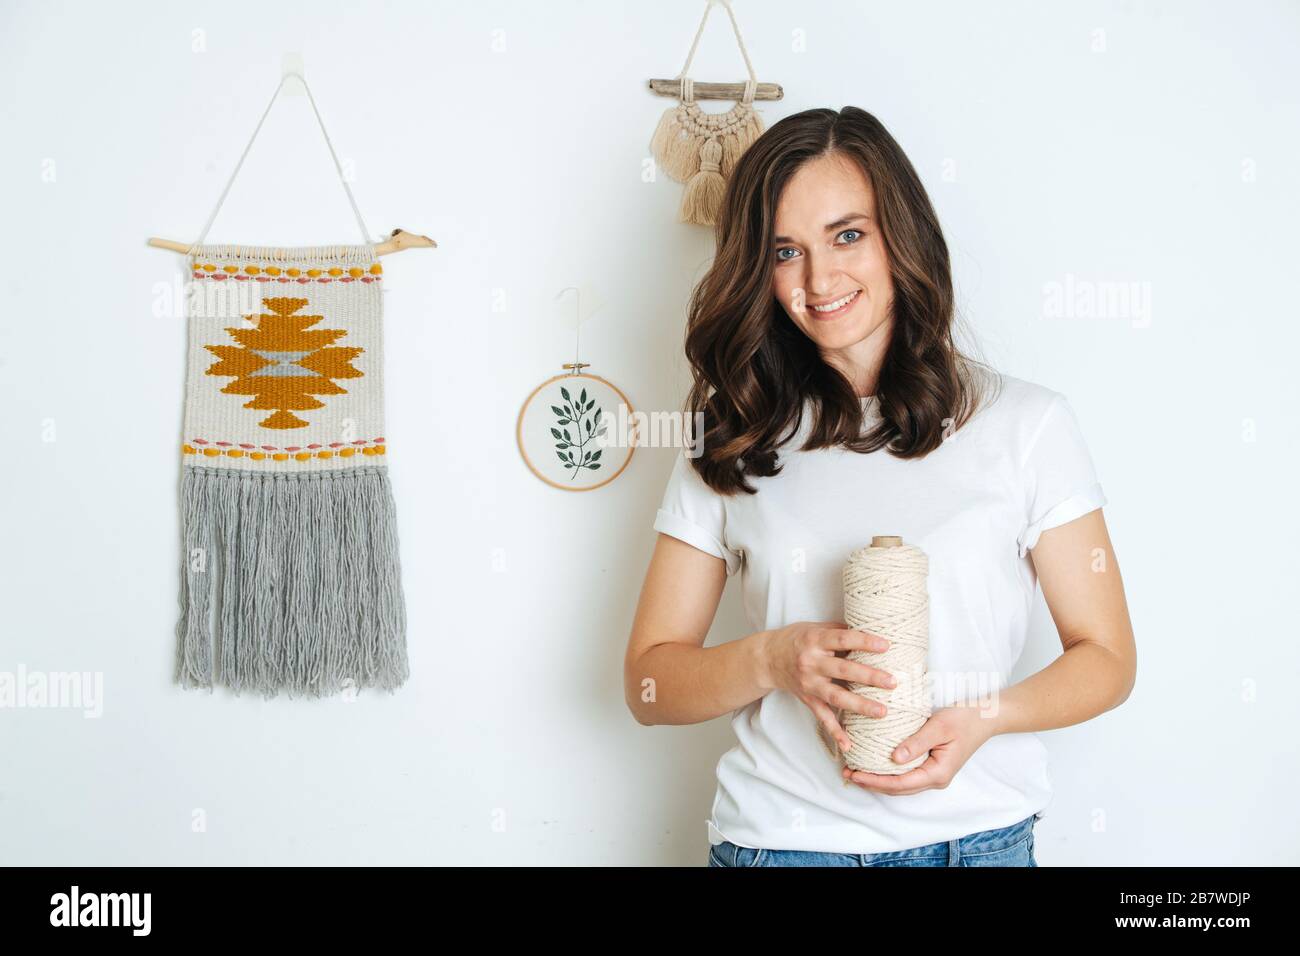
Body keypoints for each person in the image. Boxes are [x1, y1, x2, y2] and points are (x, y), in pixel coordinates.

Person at [623, 106, 1137, 867]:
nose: (819, 279)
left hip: (979, 845)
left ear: (902, 235)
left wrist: (986, 717)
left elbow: (1107, 658)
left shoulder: (1026, 425)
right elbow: (649, 683)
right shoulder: (730, 438)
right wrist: (772, 660)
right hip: (781, 848)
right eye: (785, 251)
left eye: (848, 235)